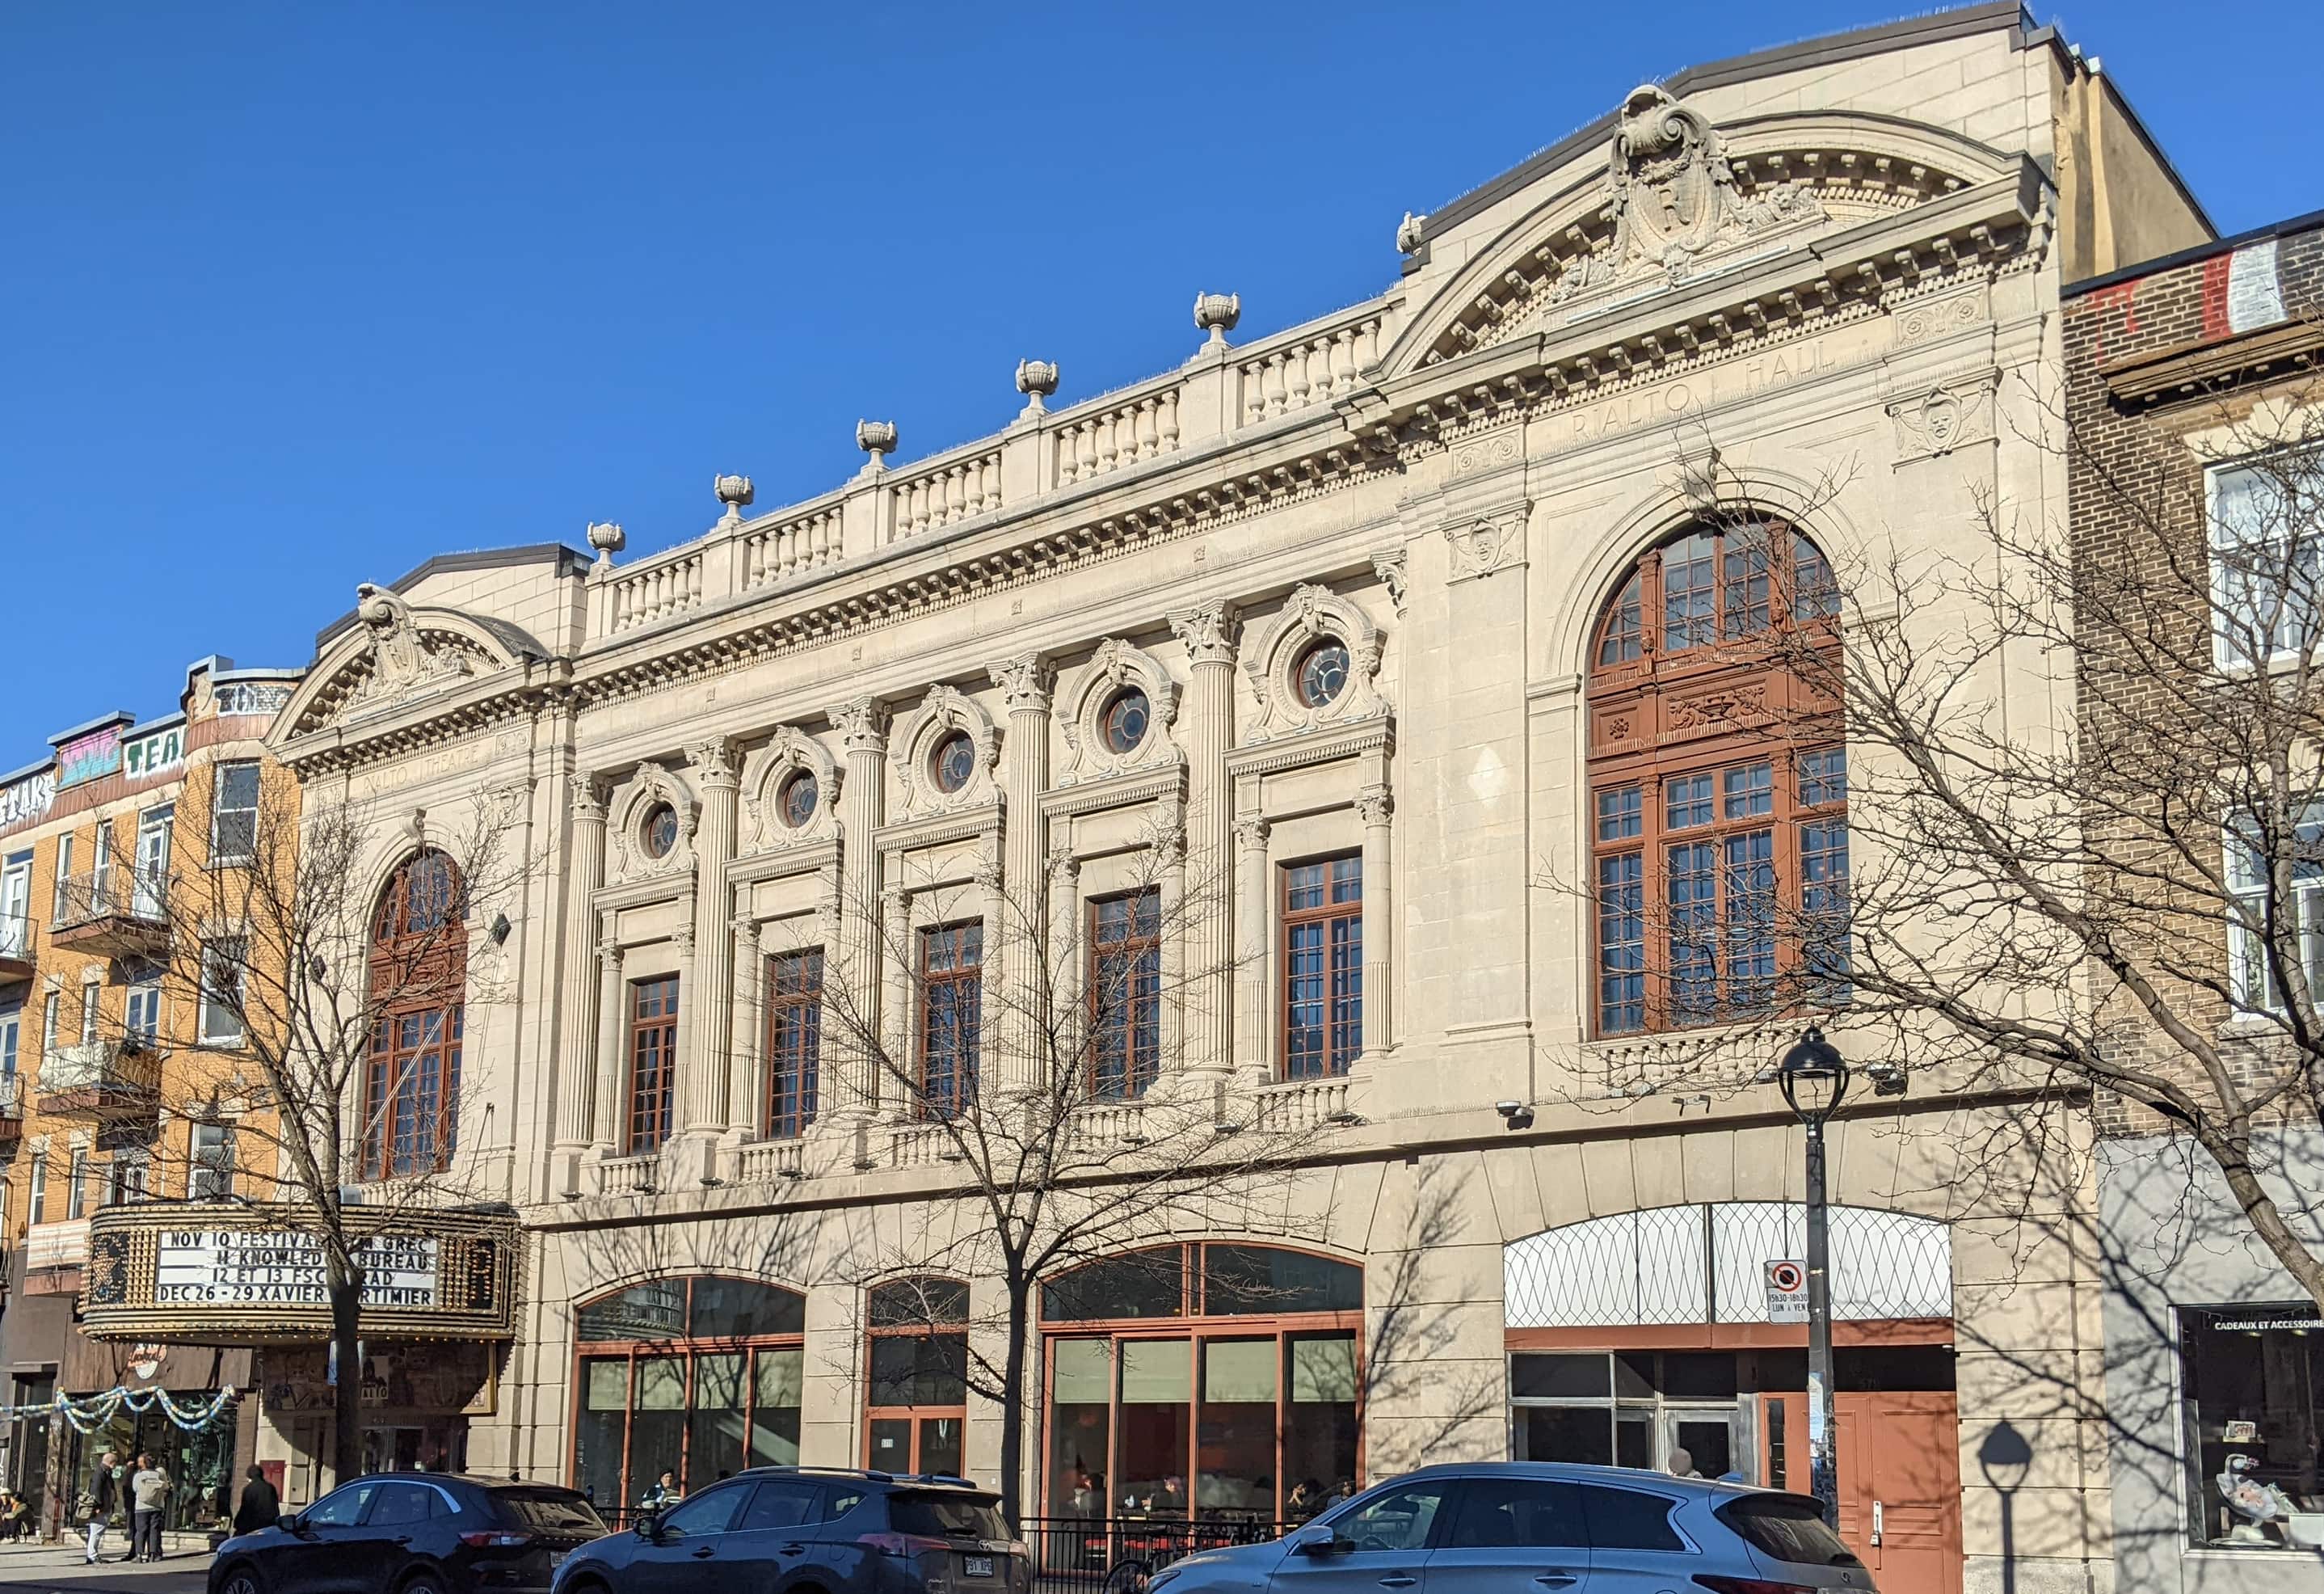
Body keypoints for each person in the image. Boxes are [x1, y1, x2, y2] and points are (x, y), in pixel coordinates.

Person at [129, 1453, 171, 1562]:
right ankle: (153, 1554)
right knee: (154, 1530)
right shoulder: (159, 1474)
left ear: (144, 1464)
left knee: (141, 1530)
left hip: (141, 1507)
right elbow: (166, 1487)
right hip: (157, 1506)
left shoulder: (139, 1476)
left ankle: (139, 1555)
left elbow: (135, 1489)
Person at [85, 1450, 122, 1562]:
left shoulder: (105, 1472)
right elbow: (96, 1491)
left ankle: (92, 1555)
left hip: (105, 1507)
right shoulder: (100, 1473)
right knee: (96, 1532)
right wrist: (98, 1506)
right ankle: (92, 1556)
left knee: (97, 1532)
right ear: (112, 1462)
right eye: (115, 1463)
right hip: (101, 1508)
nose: (116, 1466)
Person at [232, 1465, 280, 1537]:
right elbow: (275, 1507)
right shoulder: (270, 1487)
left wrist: (238, 1522)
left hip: (252, 1526)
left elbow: (245, 1508)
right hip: (268, 1526)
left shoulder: (248, 1489)